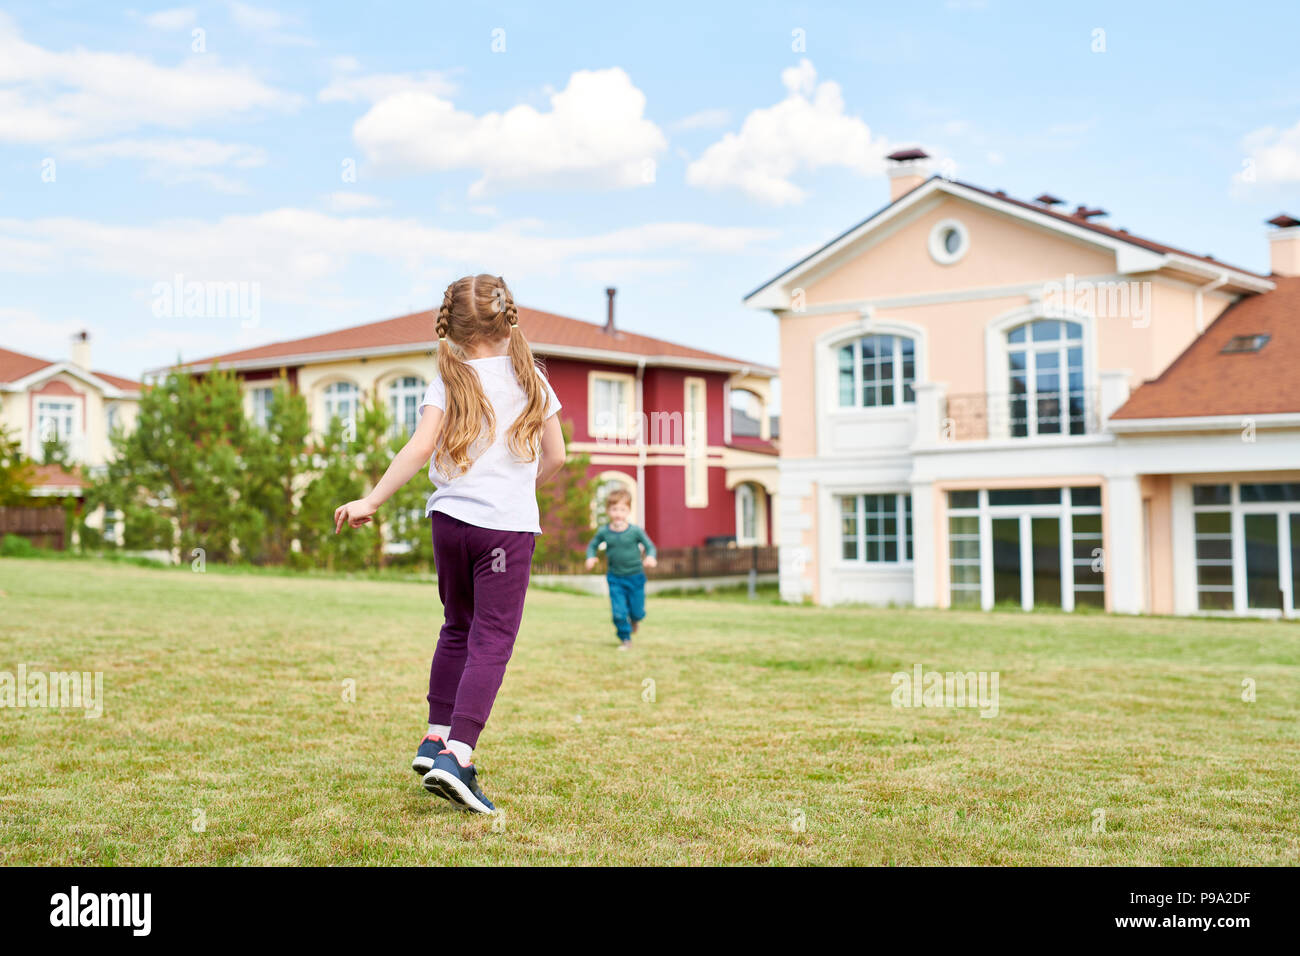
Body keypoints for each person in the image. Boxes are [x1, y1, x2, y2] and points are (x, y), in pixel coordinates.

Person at [334, 274, 566, 814]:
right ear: (508, 320)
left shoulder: (448, 376)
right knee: (493, 638)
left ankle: (436, 735)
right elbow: (556, 459)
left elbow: (419, 447)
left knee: (457, 626)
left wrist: (371, 500)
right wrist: (513, 490)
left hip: (450, 523)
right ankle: (459, 755)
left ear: (455, 331)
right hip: (504, 530)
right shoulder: (531, 378)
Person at [584, 489, 657, 649]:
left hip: (636, 576)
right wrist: (590, 557)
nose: (618, 513)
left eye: (622, 509)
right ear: (608, 511)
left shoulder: (635, 531)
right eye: (614, 509)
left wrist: (650, 557)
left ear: (629, 511)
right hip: (615, 578)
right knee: (618, 612)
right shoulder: (604, 531)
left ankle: (635, 620)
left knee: (637, 611)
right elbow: (592, 545)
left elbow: (649, 546)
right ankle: (625, 638)